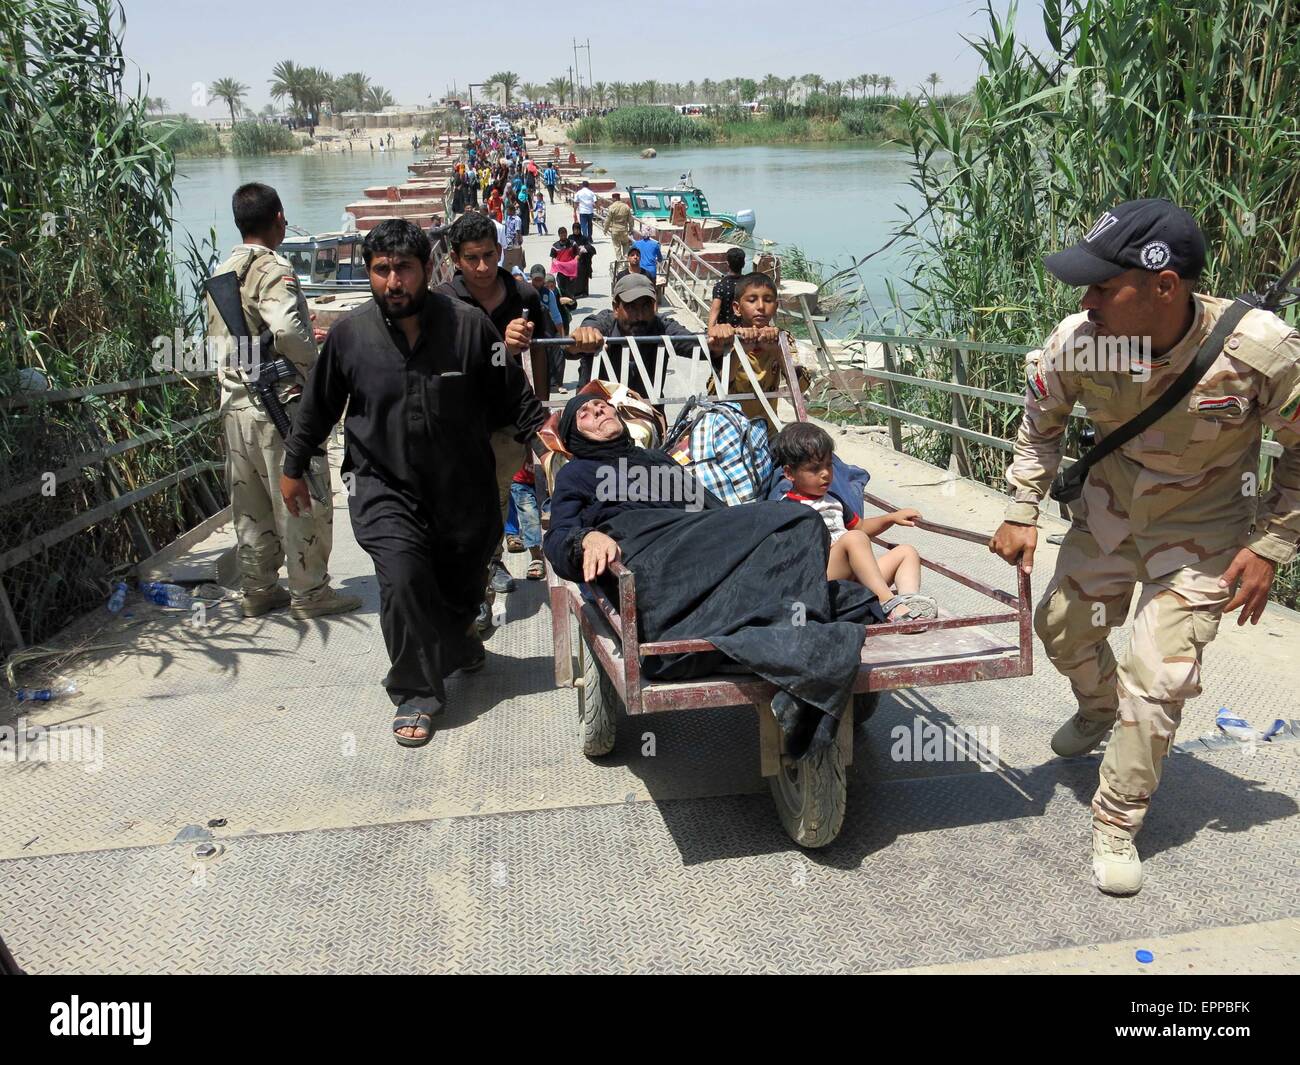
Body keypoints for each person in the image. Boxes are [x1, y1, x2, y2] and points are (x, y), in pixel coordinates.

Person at [987, 198, 1300, 895]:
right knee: (1062, 630)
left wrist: (1273, 542)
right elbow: (1042, 423)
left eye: (1104, 284)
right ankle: (1099, 706)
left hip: (1205, 532)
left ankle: (1117, 817)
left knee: (1156, 674)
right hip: (1110, 513)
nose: (1086, 298)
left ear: (1165, 286)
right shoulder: (1085, 340)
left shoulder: (1260, 351)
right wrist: (1021, 507)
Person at [280, 219, 546, 747]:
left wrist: (550, 447)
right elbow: (317, 407)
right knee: (401, 580)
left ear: (427, 270)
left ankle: (462, 636)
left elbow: (514, 397)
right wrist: (292, 468)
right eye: (381, 270)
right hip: (382, 484)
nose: (393, 282)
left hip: (461, 486)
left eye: (404, 268)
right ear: (370, 274)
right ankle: (416, 692)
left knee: (462, 576)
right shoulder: (350, 337)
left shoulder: (469, 327)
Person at [543, 394, 886, 758]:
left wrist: (759, 527)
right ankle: (800, 641)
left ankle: (795, 630)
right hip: (651, 557)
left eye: (602, 406)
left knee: (800, 520)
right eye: (585, 413)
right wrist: (586, 537)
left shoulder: (658, 461)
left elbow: (713, 510)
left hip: (698, 542)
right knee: (797, 537)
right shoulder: (576, 474)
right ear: (574, 435)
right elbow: (557, 538)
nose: (598, 411)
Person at [206, 182, 360, 621]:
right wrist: (316, 371)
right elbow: (290, 333)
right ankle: (310, 593)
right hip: (279, 403)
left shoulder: (222, 269)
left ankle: (258, 589)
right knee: (300, 494)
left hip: (234, 403)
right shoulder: (273, 268)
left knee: (249, 501)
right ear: (278, 219)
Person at [438, 211, 554, 616]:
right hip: (457, 421)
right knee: (464, 504)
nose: (483, 266)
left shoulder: (523, 296)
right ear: (456, 258)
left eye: (490, 255)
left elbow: (541, 349)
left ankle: (488, 566)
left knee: (497, 497)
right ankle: (477, 582)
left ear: (501, 250)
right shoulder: (442, 301)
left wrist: (540, 407)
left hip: (507, 417)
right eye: (473, 258)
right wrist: (497, 345)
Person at [772, 423, 932, 622]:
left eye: (829, 465)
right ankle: (887, 603)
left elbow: (861, 527)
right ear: (789, 473)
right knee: (854, 538)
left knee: (906, 552)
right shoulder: (785, 509)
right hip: (825, 579)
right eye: (814, 469)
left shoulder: (833, 500)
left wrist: (891, 517)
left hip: (858, 576)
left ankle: (908, 601)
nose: (825, 473)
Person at [568, 272, 726, 395]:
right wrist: (582, 339)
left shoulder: (662, 326)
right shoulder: (603, 323)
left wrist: (719, 337)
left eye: (646, 307)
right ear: (616, 308)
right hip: (595, 415)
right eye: (631, 307)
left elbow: (698, 345)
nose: (640, 316)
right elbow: (571, 346)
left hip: (645, 413)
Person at [706, 272, 800, 433]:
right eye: (752, 300)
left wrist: (777, 352)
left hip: (768, 430)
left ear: (776, 307)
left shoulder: (782, 338)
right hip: (731, 430)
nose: (761, 307)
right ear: (737, 308)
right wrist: (740, 351)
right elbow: (715, 393)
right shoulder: (729, 337)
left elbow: (801, 386)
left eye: (768, 300)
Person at [530, 263, 567, 393]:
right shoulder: (526, 291)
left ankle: (556, 384)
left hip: (546, 330)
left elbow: (556, 315)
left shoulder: (549, 294)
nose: (538, 282)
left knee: (558, 353)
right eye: (535, 279)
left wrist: (562, 336)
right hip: (530, 331)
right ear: (531, 278)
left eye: (540, 279)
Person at [708, 247, 746, 328]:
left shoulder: (720, 286)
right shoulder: (749, 284)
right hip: (746, 331)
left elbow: (715, 309)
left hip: (726, 332)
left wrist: (710, 329)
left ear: (727, 264)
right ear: (743, 264)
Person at [604, 191, 633, 259]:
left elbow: (607, 220)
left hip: (615, 230)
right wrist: (631, 229)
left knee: (617, 247)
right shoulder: (626, 207)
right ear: (619, 198)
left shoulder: (611, 207)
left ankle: (620, 264)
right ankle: (626, 262)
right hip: (624, 230)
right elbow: (630, 220)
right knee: (626, 245)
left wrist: (605, 229)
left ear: (613, 199)